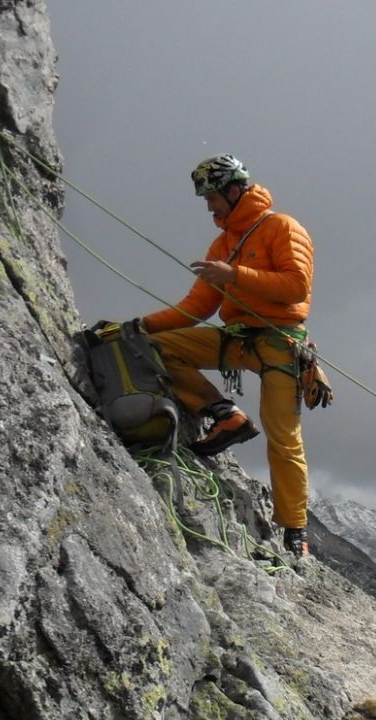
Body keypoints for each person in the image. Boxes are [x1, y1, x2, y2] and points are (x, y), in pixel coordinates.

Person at [136, 154, 316, 558]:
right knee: (158, 347)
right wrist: (139, 326)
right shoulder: (224, 243)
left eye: (213, 197)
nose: (209, 207)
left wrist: (235, 276)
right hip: (238, 338)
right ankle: (224, 414)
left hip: (279, 342)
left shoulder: (281, 227)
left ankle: (294, 532)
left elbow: (296, 286)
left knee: (283, 437)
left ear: (235, 191)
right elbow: (196, 308)